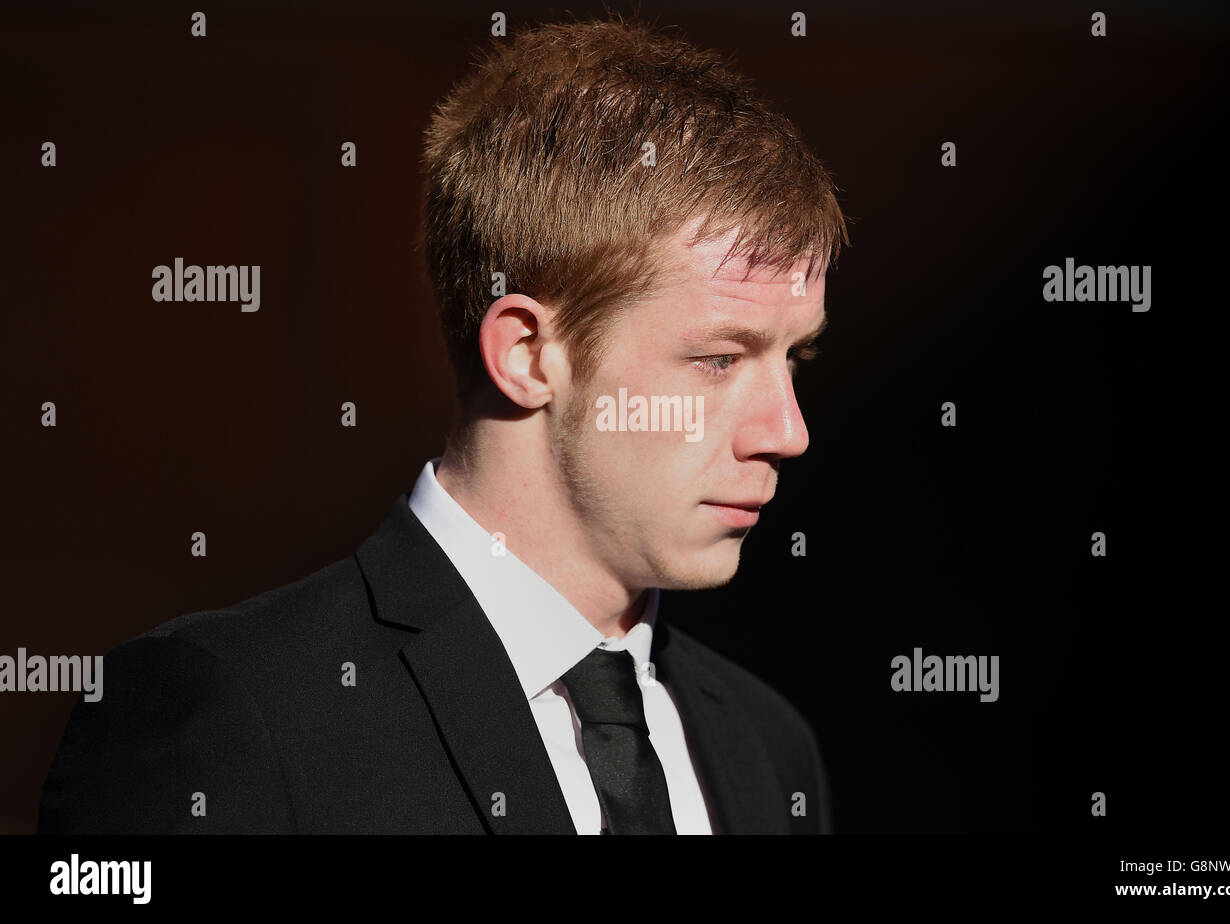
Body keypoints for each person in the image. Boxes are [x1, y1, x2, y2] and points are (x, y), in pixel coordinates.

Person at [39, 13, 848, 835]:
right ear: (529, 354)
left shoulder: (766, 749)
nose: (788, 431)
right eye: (718, 361)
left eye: (795, 360)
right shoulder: (236, 712)